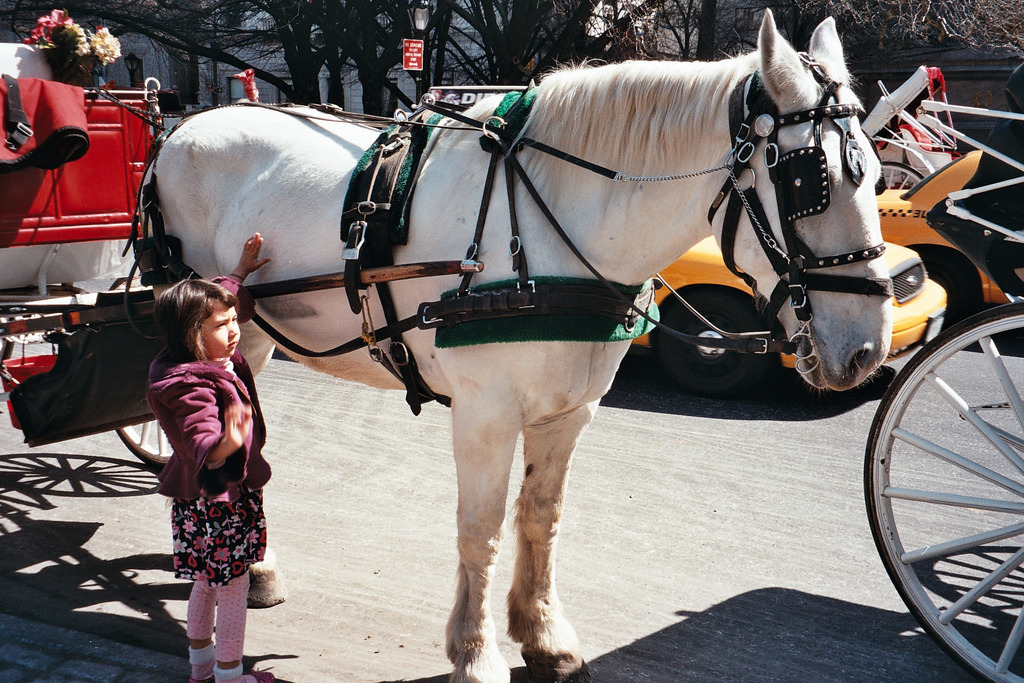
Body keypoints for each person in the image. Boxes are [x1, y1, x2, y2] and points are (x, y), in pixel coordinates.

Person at [148, 234, 275, 683]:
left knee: (205, 582)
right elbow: (204, 440)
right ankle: (229, 674)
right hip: (221, 502)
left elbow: (220, 296)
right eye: (223, 326)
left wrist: (238, 273)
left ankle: (201, 670)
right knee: (234, 588)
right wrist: (234, 433)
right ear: (192, 335)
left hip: (197, 501)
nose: (235, 329)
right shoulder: (188, 386)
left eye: (233, 319)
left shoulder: (198, 354)